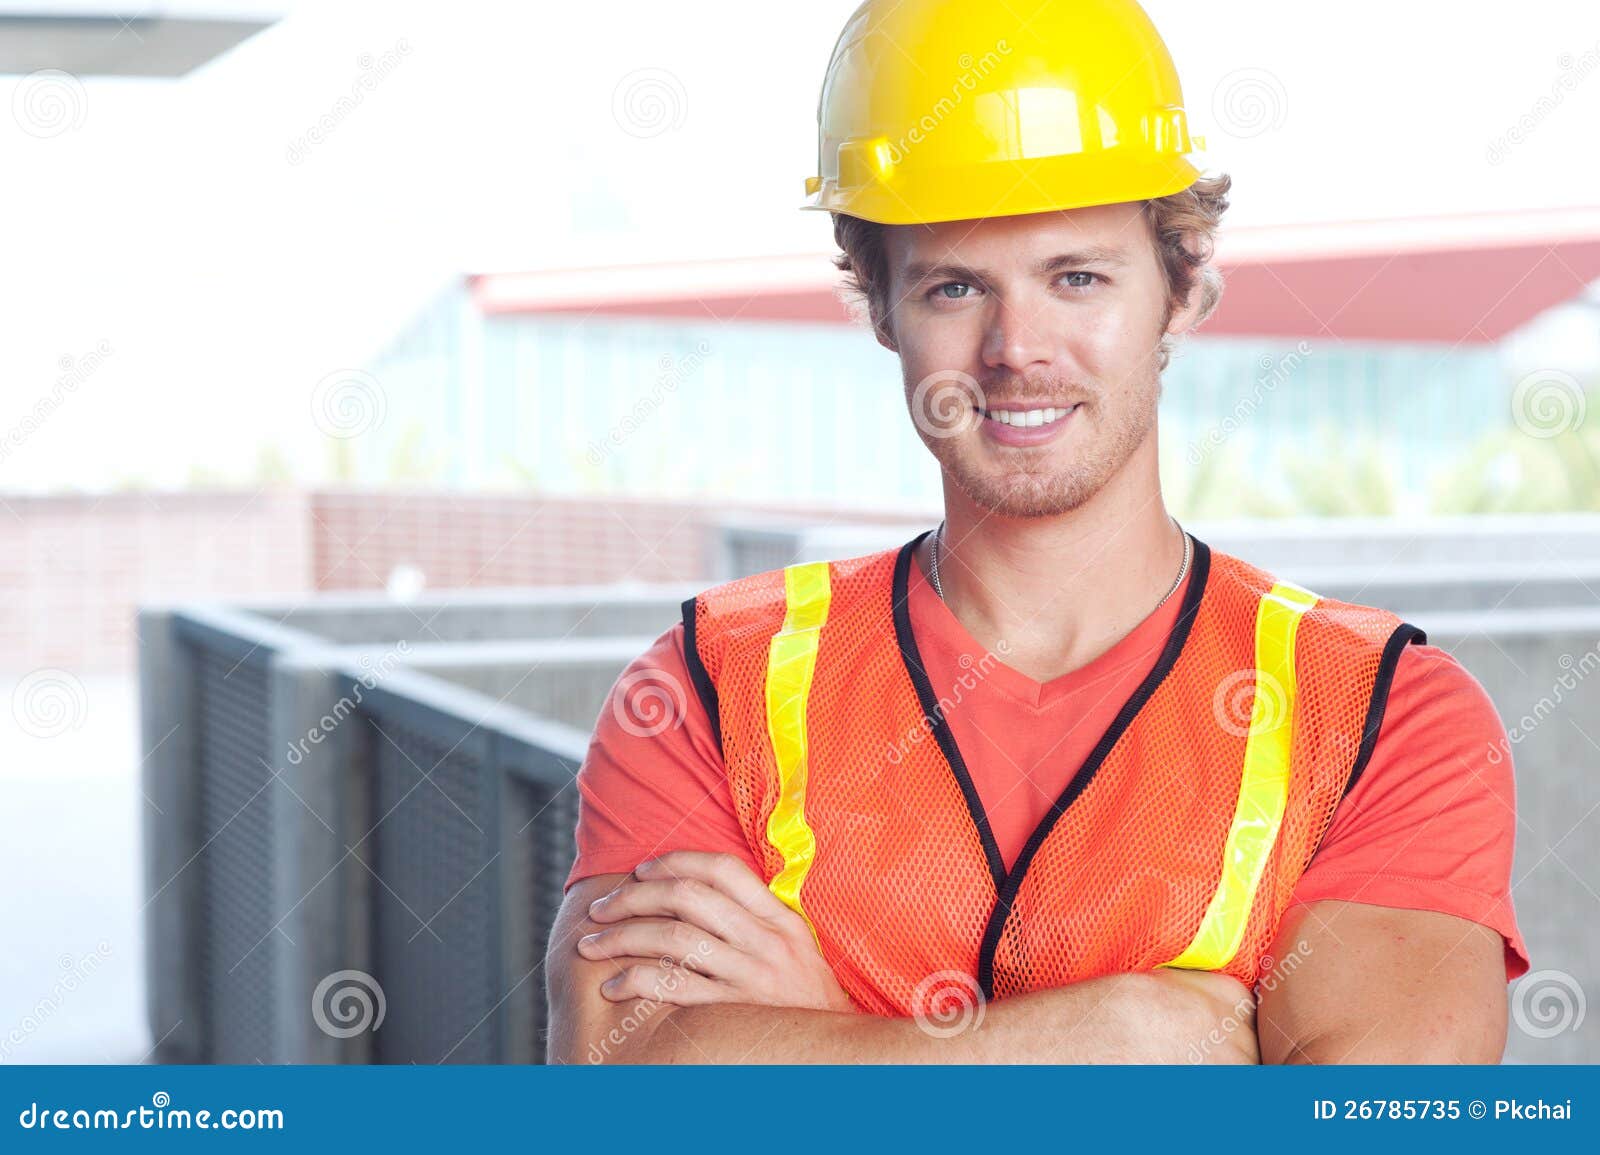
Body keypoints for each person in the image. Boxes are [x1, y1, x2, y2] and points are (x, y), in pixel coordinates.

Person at [546, 0, 1527, 1064]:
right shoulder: (711, 686)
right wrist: (1128, 1033)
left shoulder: (1379, 716)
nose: (1016, 349)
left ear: (1183, 286)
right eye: (955, 286)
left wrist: (832, 1039)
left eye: (1077, 277)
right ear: (880, 309)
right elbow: (622, 1084)